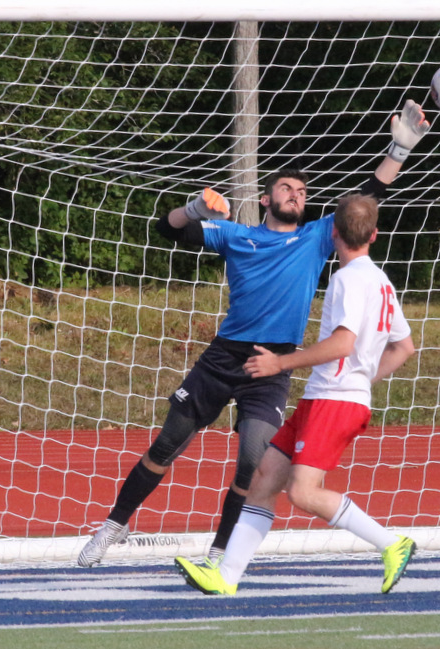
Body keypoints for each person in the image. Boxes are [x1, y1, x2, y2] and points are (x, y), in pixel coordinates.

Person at [76, 101, 431, 568]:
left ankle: (221, 554)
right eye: (286, 187)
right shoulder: (235, 235)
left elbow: (365, 199)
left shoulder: (317, 238)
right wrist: (195, 208)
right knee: (166, 445)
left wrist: (399, 149)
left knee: (253, 460)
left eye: (303, 192)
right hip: (223, 358)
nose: (296, 195)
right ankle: (113, 527)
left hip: (272, 364)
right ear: (266, 199)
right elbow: (167, 229)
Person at [172, 193, 416, 595]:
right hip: (330, 397)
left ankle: (393, 544)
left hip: (333, 400)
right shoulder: (382, 282)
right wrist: (361, 383)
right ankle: (225, 576)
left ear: (333, 231)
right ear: (375, 235)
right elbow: (404, 347)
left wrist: (280, 364)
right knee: (265, 477)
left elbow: (342, 344)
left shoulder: (347, 279)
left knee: (302, 492)